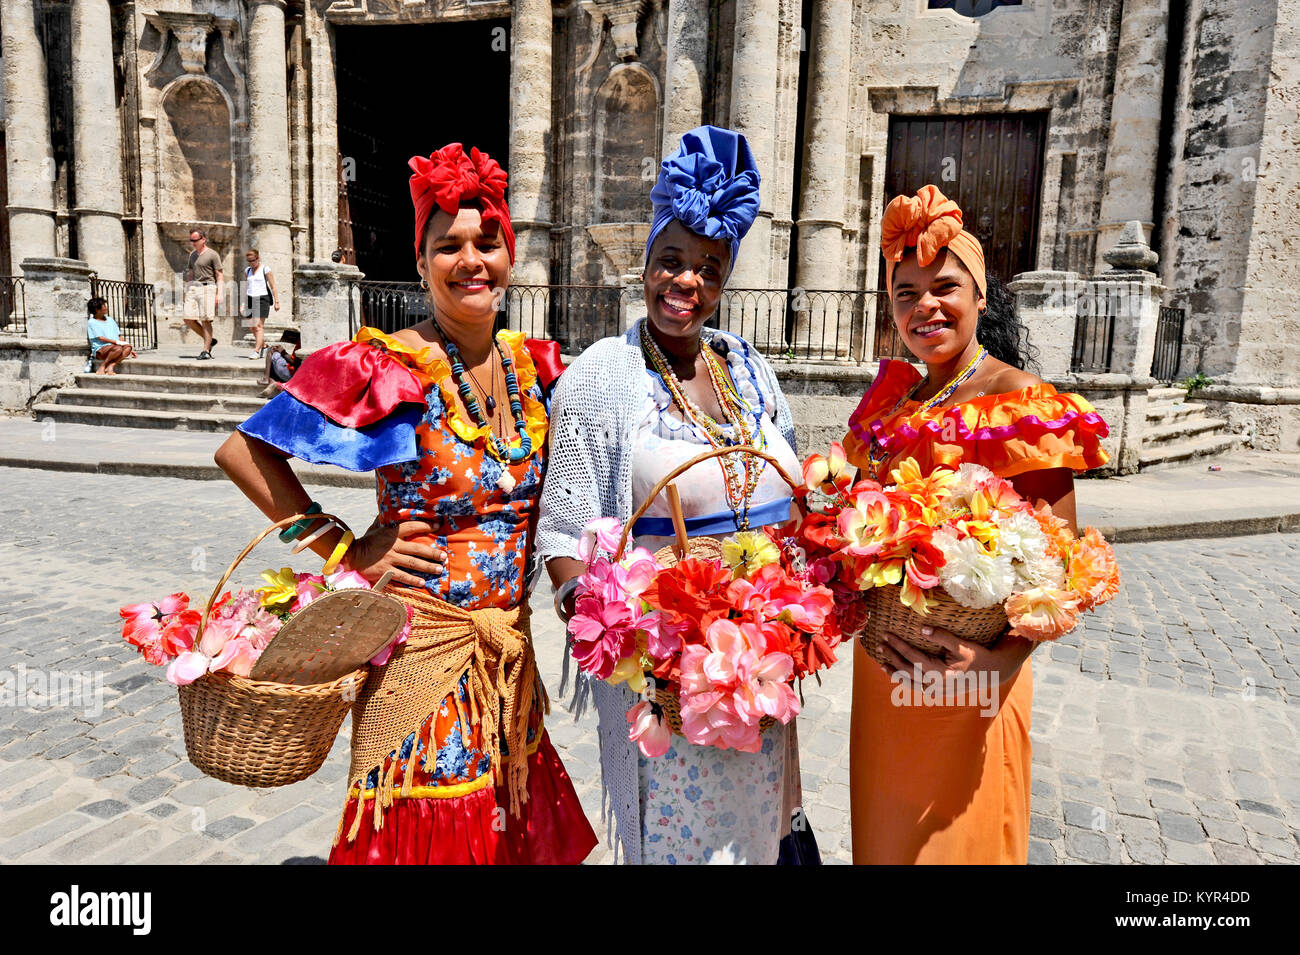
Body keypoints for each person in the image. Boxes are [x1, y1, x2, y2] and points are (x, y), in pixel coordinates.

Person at [215, 143, 594, 865]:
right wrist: (343, 549)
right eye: (447, 246)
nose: (471, 259)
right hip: (423, 656)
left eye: (487, 241)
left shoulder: (536, 367)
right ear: (421, 264)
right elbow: (244, 450)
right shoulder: (386, 366)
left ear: (510, 254)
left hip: (507, 661)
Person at [537, 126, 819, 865]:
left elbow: (796, 489)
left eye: (708, 268)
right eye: (671, 260)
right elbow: (563, 537)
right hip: (663, 680)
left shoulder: (748, 366)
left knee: (755, 839)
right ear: (647, 260)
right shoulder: (604, 375)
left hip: (756, 668)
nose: (686, 282)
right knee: (680, 848)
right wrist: (629, 649)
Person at [841, 184, 1110, 864]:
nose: (925, 306)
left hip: (971, 687)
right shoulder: (891, 406)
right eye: (906, 292)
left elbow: (1060, 573)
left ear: (981, 294)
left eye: (944, 287)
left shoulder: (1018, 401)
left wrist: (993, 665)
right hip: (883, 678)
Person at [184, 228, 223, 359]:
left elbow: (220, 275)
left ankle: (206, 350)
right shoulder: (192, 255)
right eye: (191, 240)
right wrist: (187, 290)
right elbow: (190, 273)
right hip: (194, 288)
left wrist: (220, 293)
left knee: (206, 320)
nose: (193, 243)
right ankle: (210, 340)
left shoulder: (212, 254)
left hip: (208, 287)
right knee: (188, 318)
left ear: (203, 239)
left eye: (195, 240)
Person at [243, 248, 280, 359]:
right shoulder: (247, 271)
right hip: (250, 298)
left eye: (253, 260)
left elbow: (273, 286)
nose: (251, 263)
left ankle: (256, 351)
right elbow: (247, 287)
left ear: (258, 258)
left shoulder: (265, 269)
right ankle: (264, 346)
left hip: (262, 299)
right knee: (251, 326)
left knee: (258, 326)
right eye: (249, 261)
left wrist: (277, 301)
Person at [86, 297, 136, 375]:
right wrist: (117, 342)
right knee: (118, 348)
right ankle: (103, 366)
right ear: (97, 309)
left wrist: (126, 345)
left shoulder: (110, 320)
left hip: (115, 347)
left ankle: (111, 366)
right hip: (101, 349)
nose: (106, 307)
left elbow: (119, 335)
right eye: (104, 306)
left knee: (128, 348)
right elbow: (101, 338)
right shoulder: (92, 322)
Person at [259, 329, 301, 398]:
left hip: (291, 374)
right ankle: (271, 381)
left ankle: (267, 379)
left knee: (271, 351)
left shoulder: (301, 343)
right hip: (292, 373)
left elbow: (295, 363)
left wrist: (283, 352)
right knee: (273, 351)